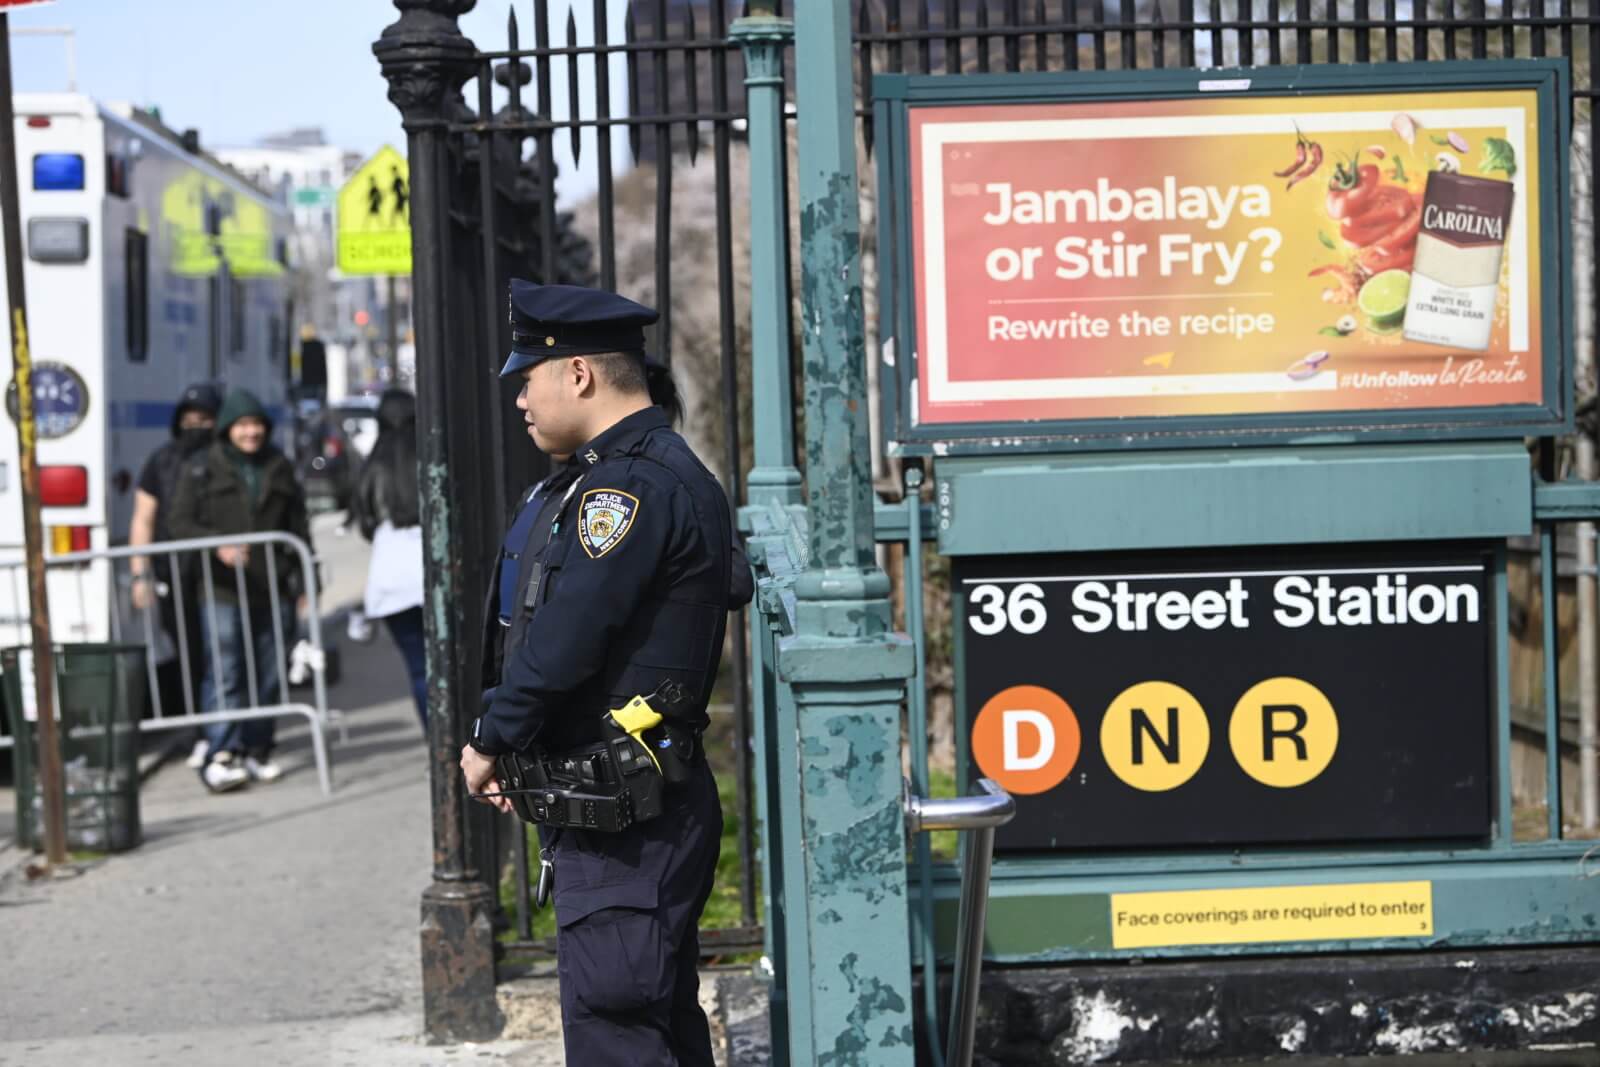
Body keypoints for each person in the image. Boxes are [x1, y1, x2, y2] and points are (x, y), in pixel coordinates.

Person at [460, 280, 748, 1065]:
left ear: (578, 374)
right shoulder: (622, 472)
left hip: (628, 825)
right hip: (626, 810)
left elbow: (567, 634)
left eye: (530, 376)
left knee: (619, 1035)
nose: (522, 397)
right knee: (655, 1027)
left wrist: (492, 736)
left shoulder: (628, 486)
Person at [170, 389, 313, 793]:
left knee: (268, 674)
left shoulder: (278, 465)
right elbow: (179, 522)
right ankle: (221, 751)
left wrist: (304, 583)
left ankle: (257, 748)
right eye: (243, 425)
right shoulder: (202, 468)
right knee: (226, 671)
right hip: (221, 589)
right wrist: (218, 545)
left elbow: (298, 525)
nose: (251, 433)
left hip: (272, 586)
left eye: (257, 425)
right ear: (229, 428)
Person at [127, 382, 223, 769]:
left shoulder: (224, 458)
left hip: (219, 577)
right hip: (174, 575)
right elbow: (143, 518)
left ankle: (221, 734)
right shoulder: (161, 460)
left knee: (223, 657)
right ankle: (202, 732)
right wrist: (140, 574)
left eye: (204, 419)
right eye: (189, 419)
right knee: (189, 658)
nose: (195, 425)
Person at [351, 388, 427, 727]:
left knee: (418, 668)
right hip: (432, 572)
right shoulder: (429, 451)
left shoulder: (375, 458)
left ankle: (435, 743)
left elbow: (364, 519)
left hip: (391, 577)